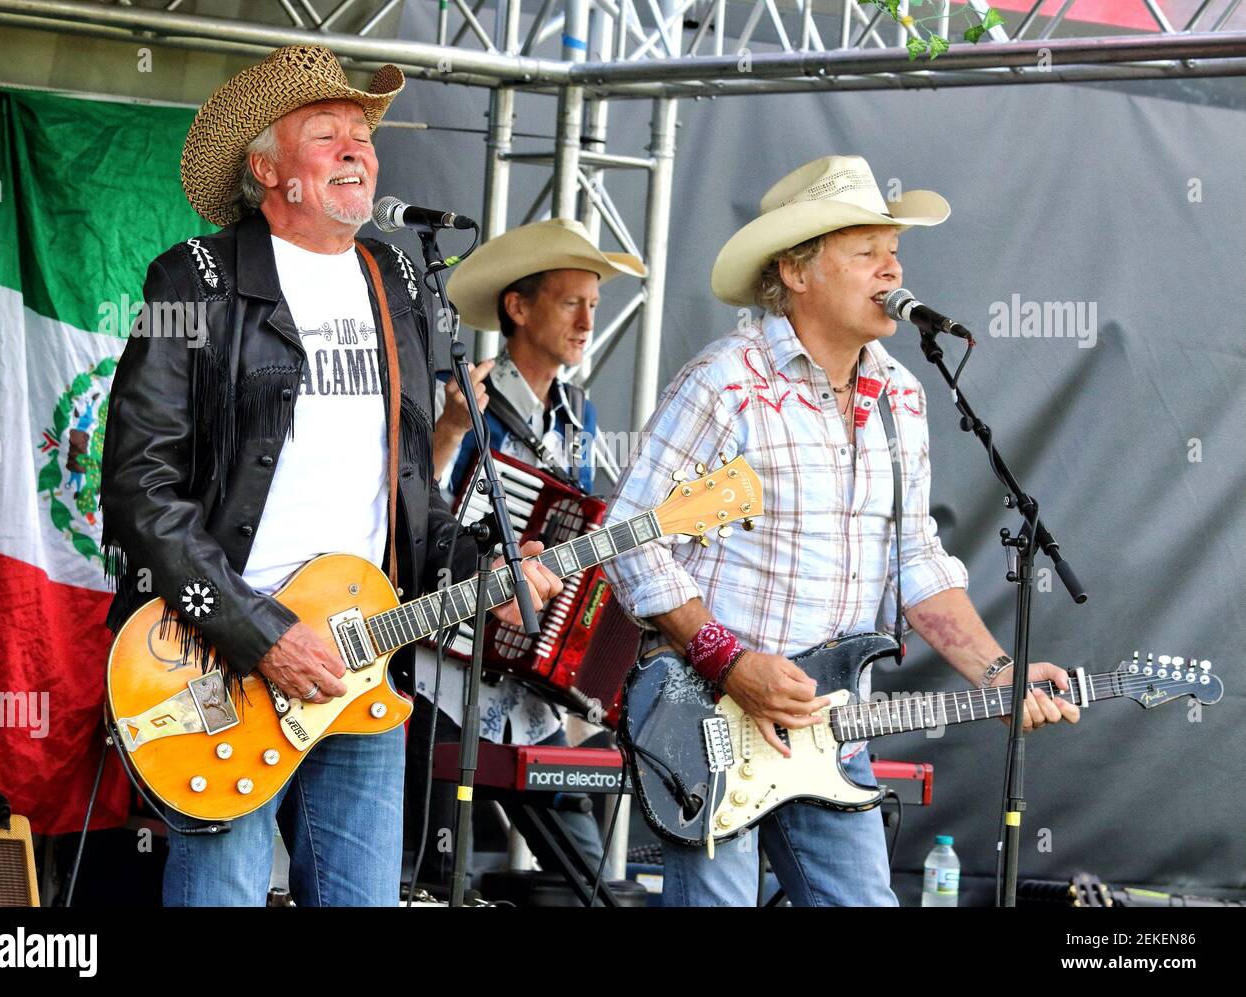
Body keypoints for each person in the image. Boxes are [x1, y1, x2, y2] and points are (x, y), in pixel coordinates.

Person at [100, 45, 561, 908]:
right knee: (223, 894)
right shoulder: (193, 280)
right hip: (219, 665)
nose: (359, 150)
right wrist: (260, 631)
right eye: (328, 134)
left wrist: (477, 570)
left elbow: (406, 495)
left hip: (361, 655)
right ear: (268, 170)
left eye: (364, 135)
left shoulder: (395, 285)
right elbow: (138, 489)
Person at [603, 154, 1080, 907]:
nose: (893, 270)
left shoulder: (901, 394)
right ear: (796, 270)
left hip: (830, 734)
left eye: (895, 252)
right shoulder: (727, 380)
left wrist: (999, 672)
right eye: (867, 252)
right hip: (709, 714)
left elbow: (915, 559)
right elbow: (628, 534)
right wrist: (730, 661)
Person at [404, 218, 646, 884]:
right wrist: (454, 426)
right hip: (444, 663)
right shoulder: (462, 390)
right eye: (572, 302)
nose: (587, 321)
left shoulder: (578, 414)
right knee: (435, 867)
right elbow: (413, 512)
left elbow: (580, 526)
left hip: (526, 675)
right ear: (518, 306)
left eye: (594, 305)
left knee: (585, 867)